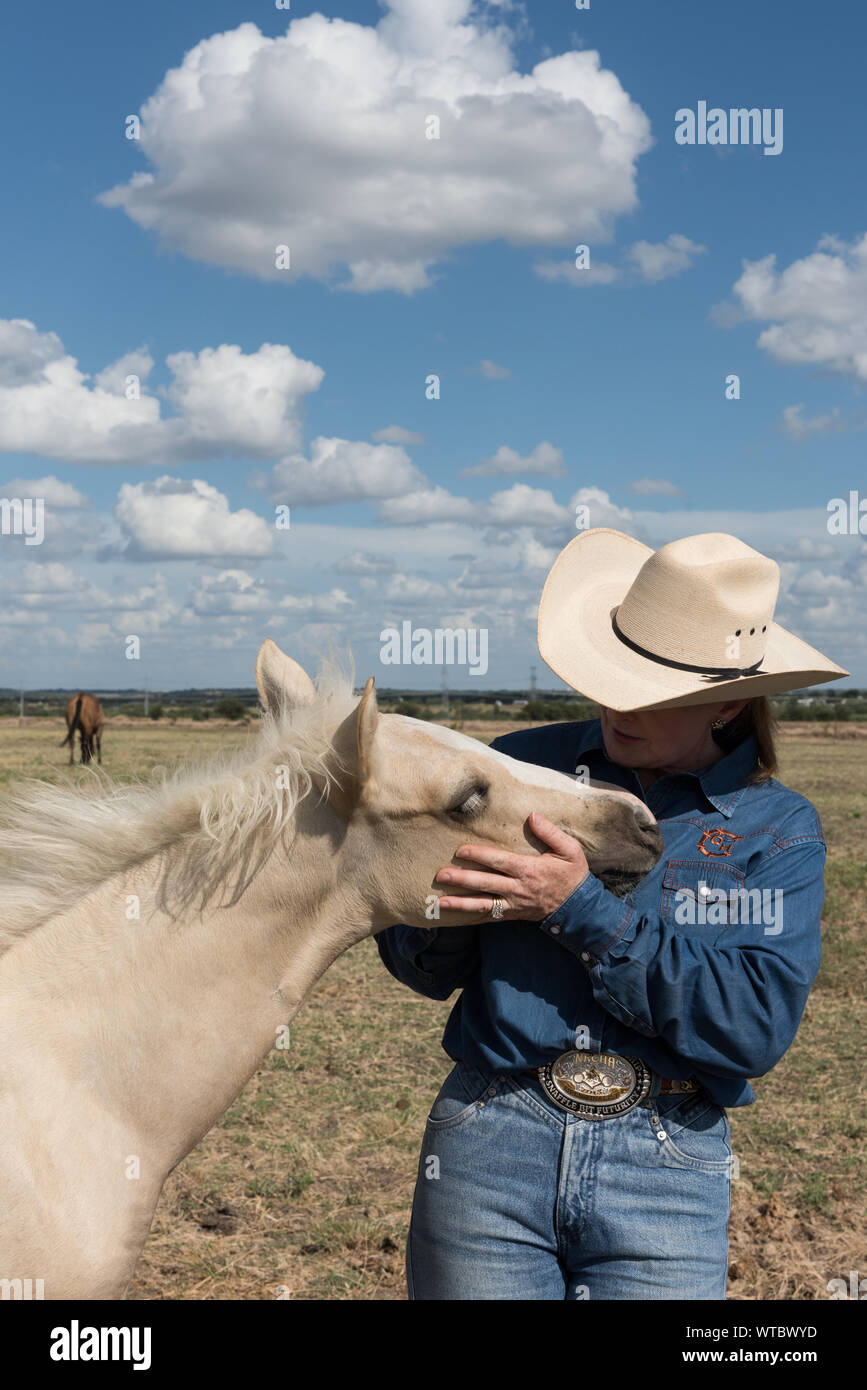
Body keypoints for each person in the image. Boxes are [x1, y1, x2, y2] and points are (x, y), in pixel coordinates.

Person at [375, 528, 848, 1300]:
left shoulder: (778, 829)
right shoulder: (522, 766)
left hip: (665, 1164)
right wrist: (445, 902)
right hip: (492, 1131)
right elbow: (417, 964)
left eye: (647, 692)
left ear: (726, 702)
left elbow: (752, 1030)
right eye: (609, 677)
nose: (612, 705)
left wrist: (577, 909)